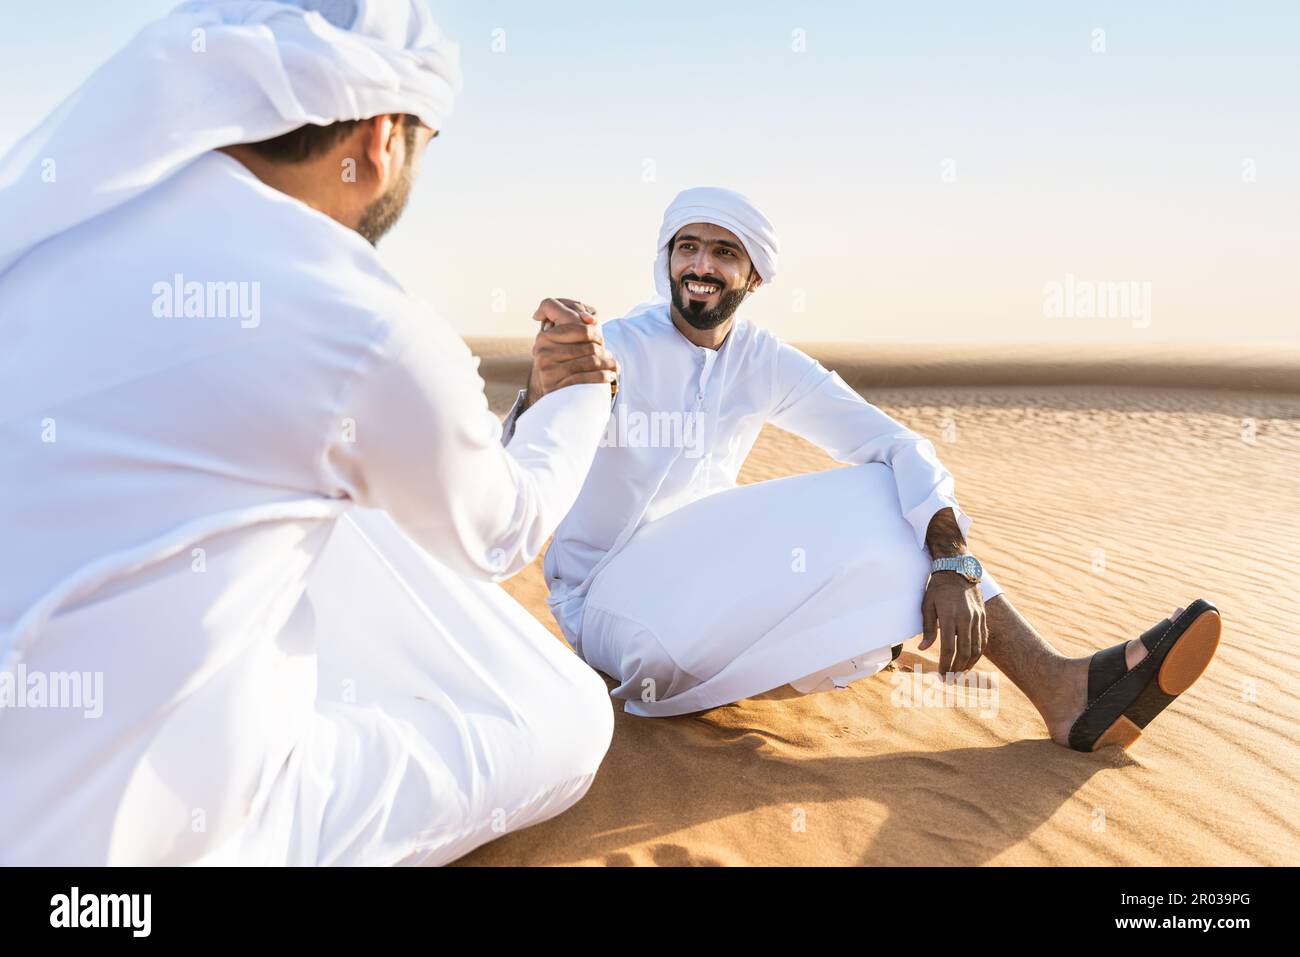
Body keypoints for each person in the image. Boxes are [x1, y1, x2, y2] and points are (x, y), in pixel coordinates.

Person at [0, 0, 621, 865]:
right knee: (565, 716)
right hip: (131, 851)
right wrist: (580, 395)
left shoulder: (50, 237)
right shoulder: (358, 320)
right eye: (423, 150)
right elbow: (501, 532)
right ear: (379, 137)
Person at [505, 186, 1222, 753]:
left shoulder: (761, 360)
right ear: (666, 260)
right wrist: (544, 388)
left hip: (701, 607)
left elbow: (896, 443)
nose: (700, 266)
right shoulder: (619, 345)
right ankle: (1060, 682)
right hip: (604, 607)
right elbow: (526, 444)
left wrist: (955, 564)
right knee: (887, 510)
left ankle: (1062, 689)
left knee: (899, 493)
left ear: (753, 275)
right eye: (687, 247)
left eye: (724, 253)